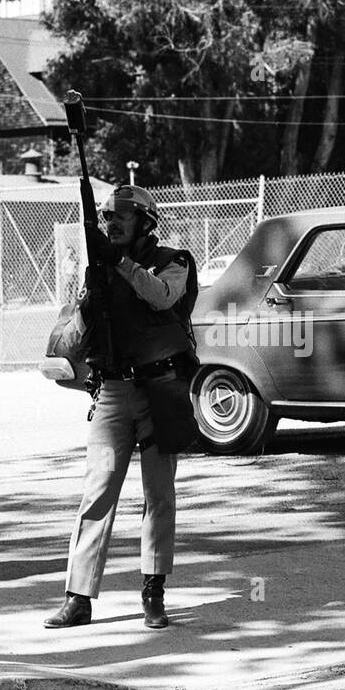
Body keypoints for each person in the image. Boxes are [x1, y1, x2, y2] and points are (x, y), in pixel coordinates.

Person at [44, 185, 200, 630]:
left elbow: (162, 296)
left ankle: (154, 591)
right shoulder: (101, 270)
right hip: (113, 393)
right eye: (107, 218)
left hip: (161, 391)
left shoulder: (175, 260)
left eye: (120, 219)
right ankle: (78, 596)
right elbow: (66, 342)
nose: (111, 225)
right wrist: (88, 299)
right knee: (97, 492)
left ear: (146, 224)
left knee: (158, 497)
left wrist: (120, 264)